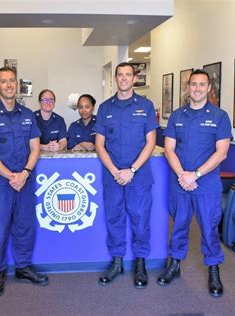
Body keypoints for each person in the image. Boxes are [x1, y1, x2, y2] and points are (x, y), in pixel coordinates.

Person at [157, 69, 232, 298]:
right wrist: (183, 175)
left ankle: (213, 270)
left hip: (206, 185)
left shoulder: (220, 116)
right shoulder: (177, 116)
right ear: (188, 87)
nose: (197, 88)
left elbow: (221, 153)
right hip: (180, 182)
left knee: (209, 228)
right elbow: (169, 148)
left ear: (209, 88)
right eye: (193, 84)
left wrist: (195, 175)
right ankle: (175, 265)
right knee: (178, 225)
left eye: (202, 84)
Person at [0, 66, 48, 298]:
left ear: (17, 85)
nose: (8, 85)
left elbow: (35, 147)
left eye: (12, 81)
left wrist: (25, 173)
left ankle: (23, 268)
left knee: (25, 225)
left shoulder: (28, 115)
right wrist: (11, 176)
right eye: (4, 82)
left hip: (25, 181)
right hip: (0, 184)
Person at [94, 62, 158, 289]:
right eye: (119, 75)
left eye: (127, 75)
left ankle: (140, 263)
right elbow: (99, 144)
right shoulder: (104, 108)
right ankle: (117, 262)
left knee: (140, 220)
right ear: (115, 79)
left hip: (138, 177)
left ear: (134, 78)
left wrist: (131, 170)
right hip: (112, 177)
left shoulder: (146, 106)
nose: (123, 78)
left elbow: (151, 143)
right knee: (114, 220)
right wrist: (114, 171)